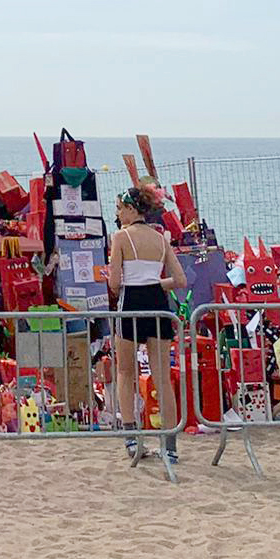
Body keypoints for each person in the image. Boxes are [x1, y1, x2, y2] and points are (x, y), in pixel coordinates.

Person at [101, 187, 185, 458]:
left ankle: (131, 438)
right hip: (157, 303)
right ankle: (170, 446)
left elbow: (114, 283)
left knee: (126, 373)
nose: (117, 213)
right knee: (162, 376)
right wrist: (157, 283)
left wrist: (120, 282)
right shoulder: (161, 238)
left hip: (132, 302)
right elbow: (180, 280)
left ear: (132, 210)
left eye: (120, 208)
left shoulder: (121, 237)